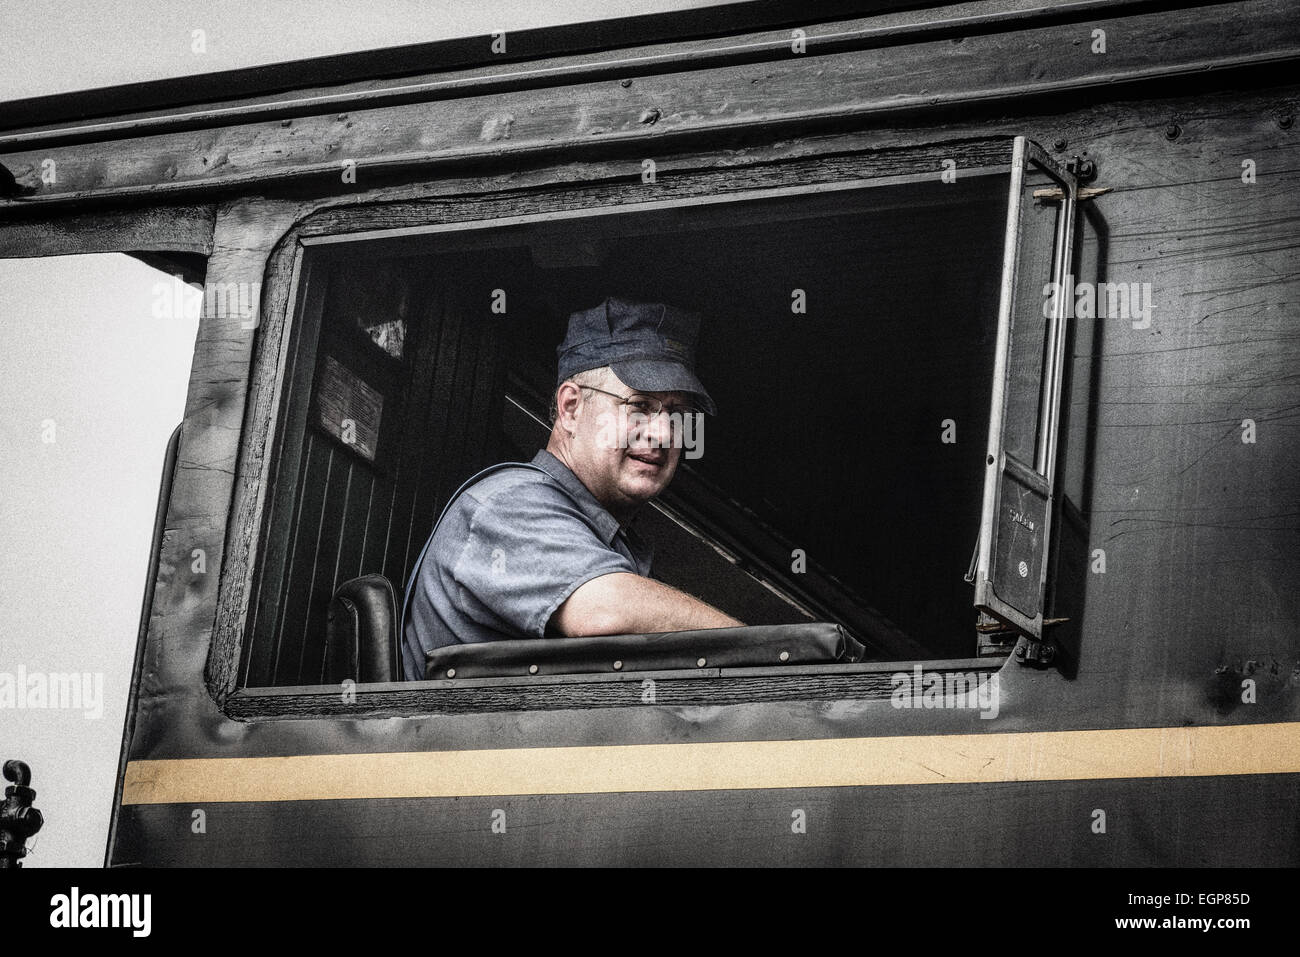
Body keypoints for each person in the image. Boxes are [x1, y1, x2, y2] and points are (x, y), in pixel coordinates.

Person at [400, 296, 744, 680]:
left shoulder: (605, 536)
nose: (663, 433)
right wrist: (767, 648)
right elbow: (608, 610)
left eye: (678, 415)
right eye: (640, 406)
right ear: (570, 408)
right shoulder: (510, 504)